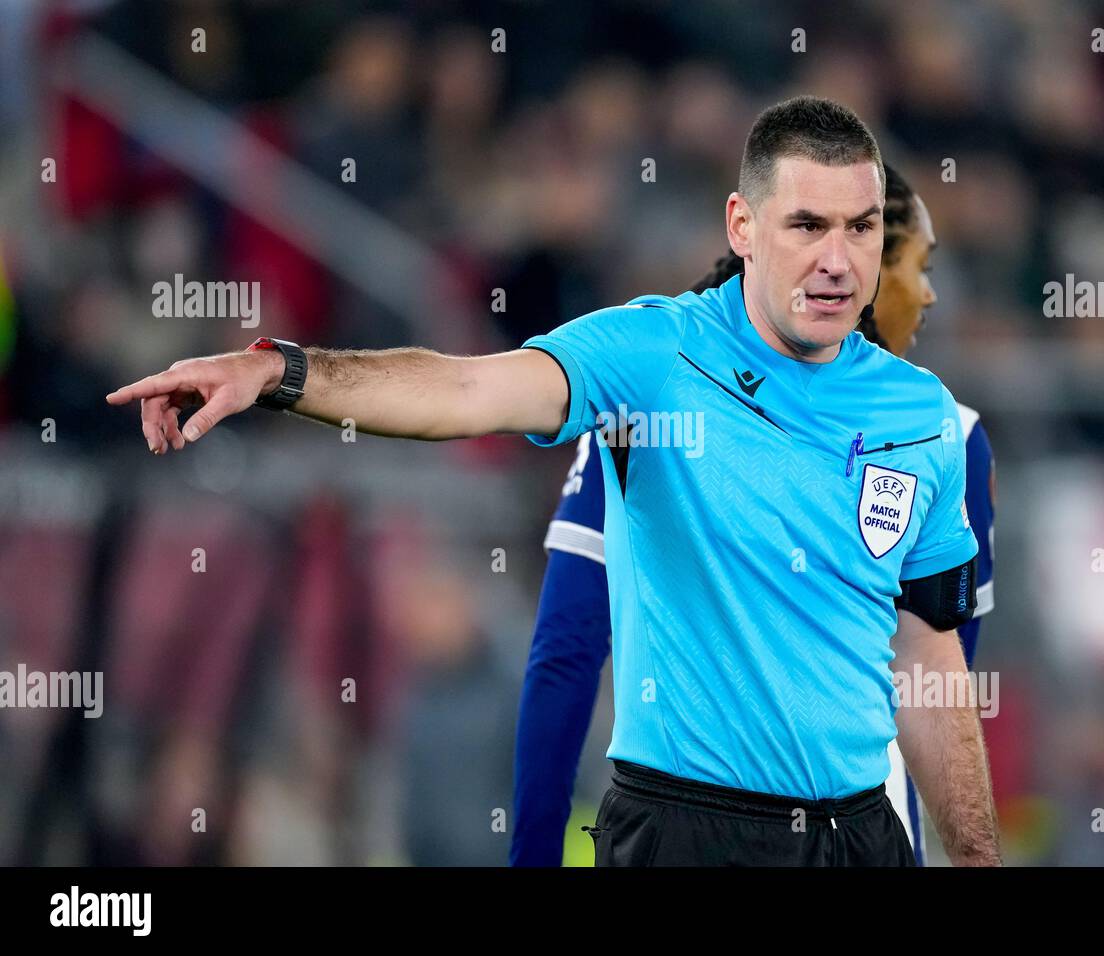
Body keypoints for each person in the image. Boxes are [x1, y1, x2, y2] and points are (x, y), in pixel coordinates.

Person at [107, 96, 1001, 866]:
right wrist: (280, 372)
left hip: (859, 839)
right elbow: (464, 387)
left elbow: (930, 661)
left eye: (862, 227)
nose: (840, 260)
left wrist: (976, 855)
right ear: (743, 226)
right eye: (808, 225)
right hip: (687, 832)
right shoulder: (653, 354)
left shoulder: (918, 414)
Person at [510, 164, 996, 867]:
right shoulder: (646, 392)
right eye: (917, 264)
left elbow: (566, 645)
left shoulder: (943, 432)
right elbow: (938, 693)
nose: (928, 294)